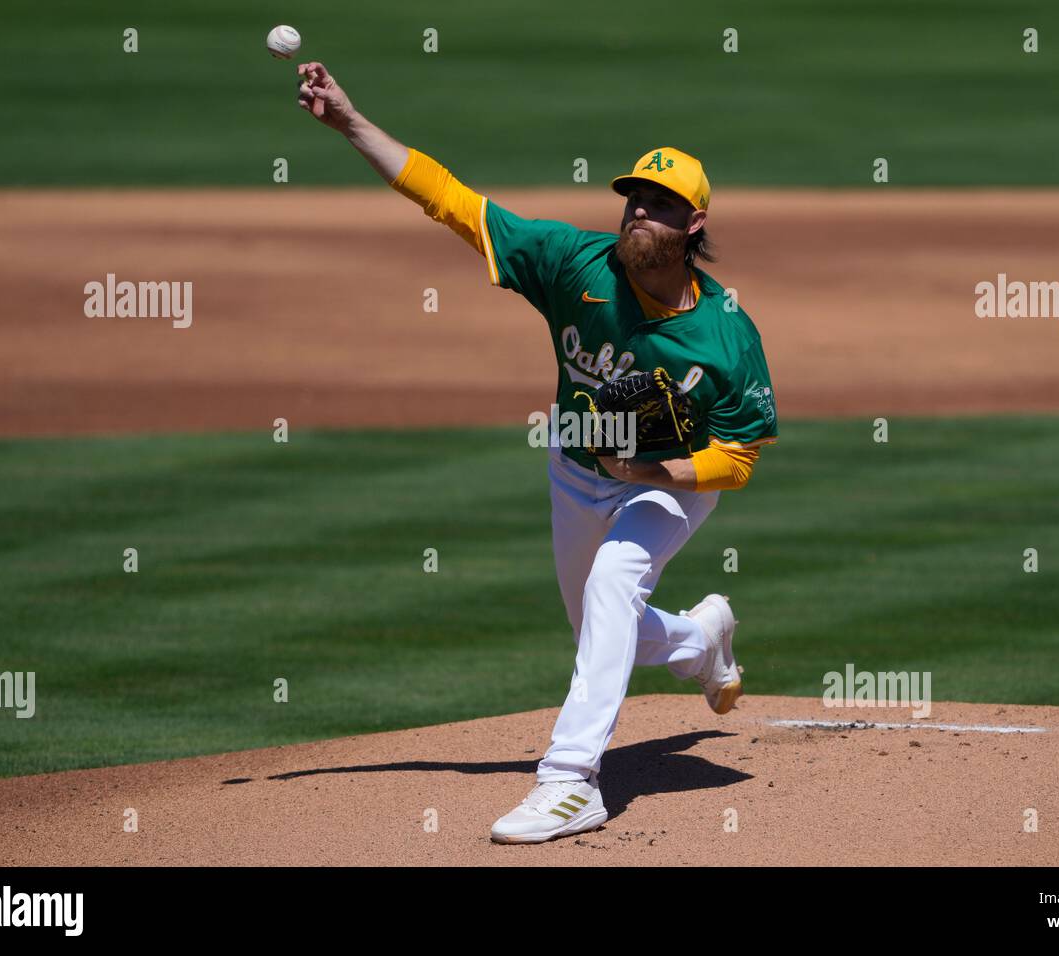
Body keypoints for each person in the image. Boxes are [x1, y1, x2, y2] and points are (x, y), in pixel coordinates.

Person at [296, 62, 779, 844]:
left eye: (660, 205)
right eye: (633, 199)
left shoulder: (726, 334)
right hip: (576, 471)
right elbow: (452, 202)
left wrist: (656, 472)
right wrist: (350, 122)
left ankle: (570, 782)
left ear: (693, 227)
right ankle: (699, 638)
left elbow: (744, 455)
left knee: (616, 580)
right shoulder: (571, 264)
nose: (639, 213)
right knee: (601, 621)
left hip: (672, 483)